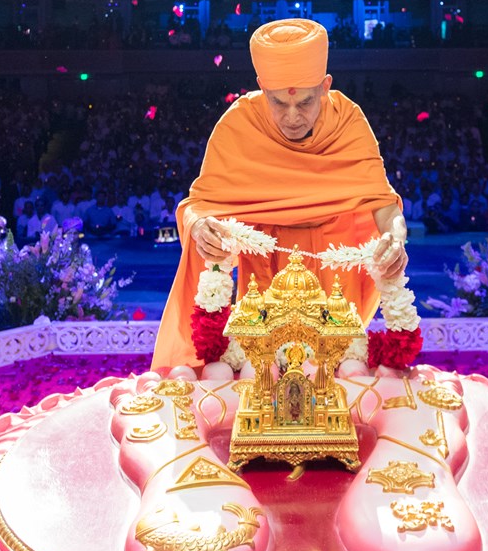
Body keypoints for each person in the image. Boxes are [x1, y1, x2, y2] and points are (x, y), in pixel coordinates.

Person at [154, 19, 406, 369]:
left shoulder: (348, 120)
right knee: (260, 374)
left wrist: (395, 237)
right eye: (278, 103)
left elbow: (382, 201)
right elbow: (198, 205)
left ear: (325, 87)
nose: (292, 117)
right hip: (263, 268)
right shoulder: (239, 123)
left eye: (305, 103)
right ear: (261, 88)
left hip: (333, 270)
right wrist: (199, 227)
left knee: (336, 373)